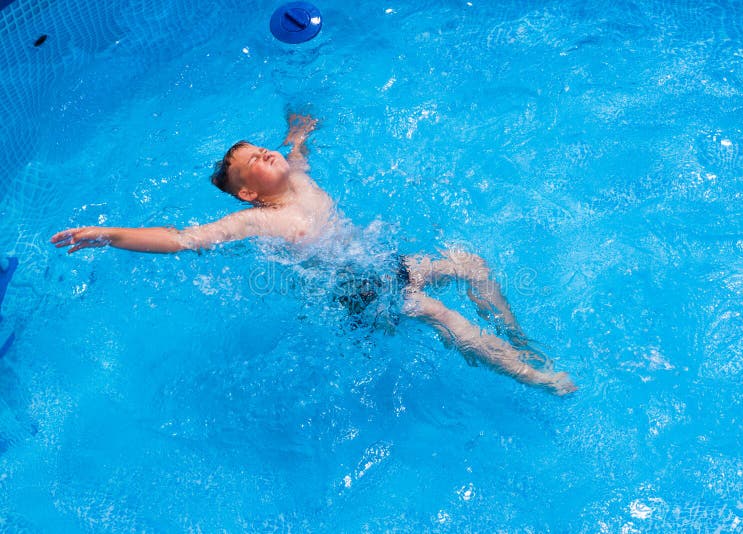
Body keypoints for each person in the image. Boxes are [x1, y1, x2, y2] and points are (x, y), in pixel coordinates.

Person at [50, 114, 576, 395]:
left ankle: (516, 335)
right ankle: (532, 375)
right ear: (248, 192)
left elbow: (295, 149)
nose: (263, 154)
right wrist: (110, 233)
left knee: (469, 263)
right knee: (439, 313)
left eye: (259, 148)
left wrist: (298, 129)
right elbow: (182, 239)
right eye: (250, 162)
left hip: (386, 264)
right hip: (361, 294)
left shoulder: (296, 174)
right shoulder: (258, 218)